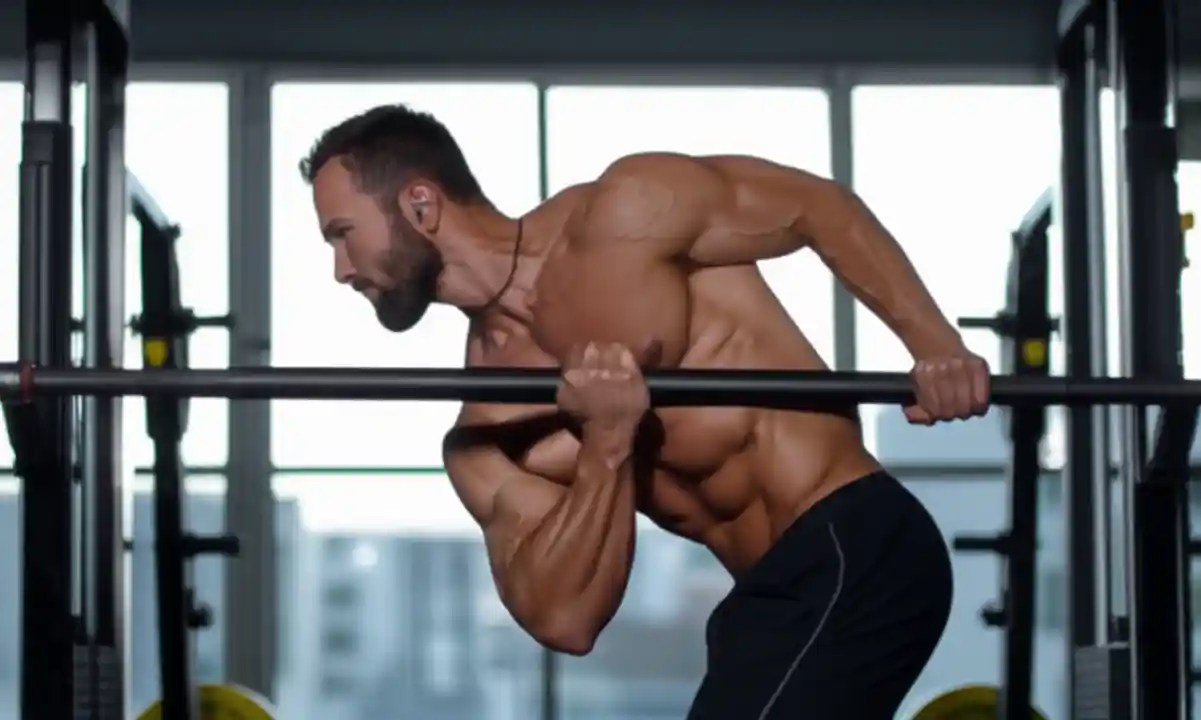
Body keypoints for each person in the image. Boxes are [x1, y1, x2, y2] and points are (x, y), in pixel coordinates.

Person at [301, 104, 991, 719]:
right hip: (764, 597)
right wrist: (606, 444)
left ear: (420, 205)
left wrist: (937, 348)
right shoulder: (486, 432)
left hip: (857, 540)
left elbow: (816, 206)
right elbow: (566, 621)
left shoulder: (627, 214)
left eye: (343, 233)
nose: (339, 270)